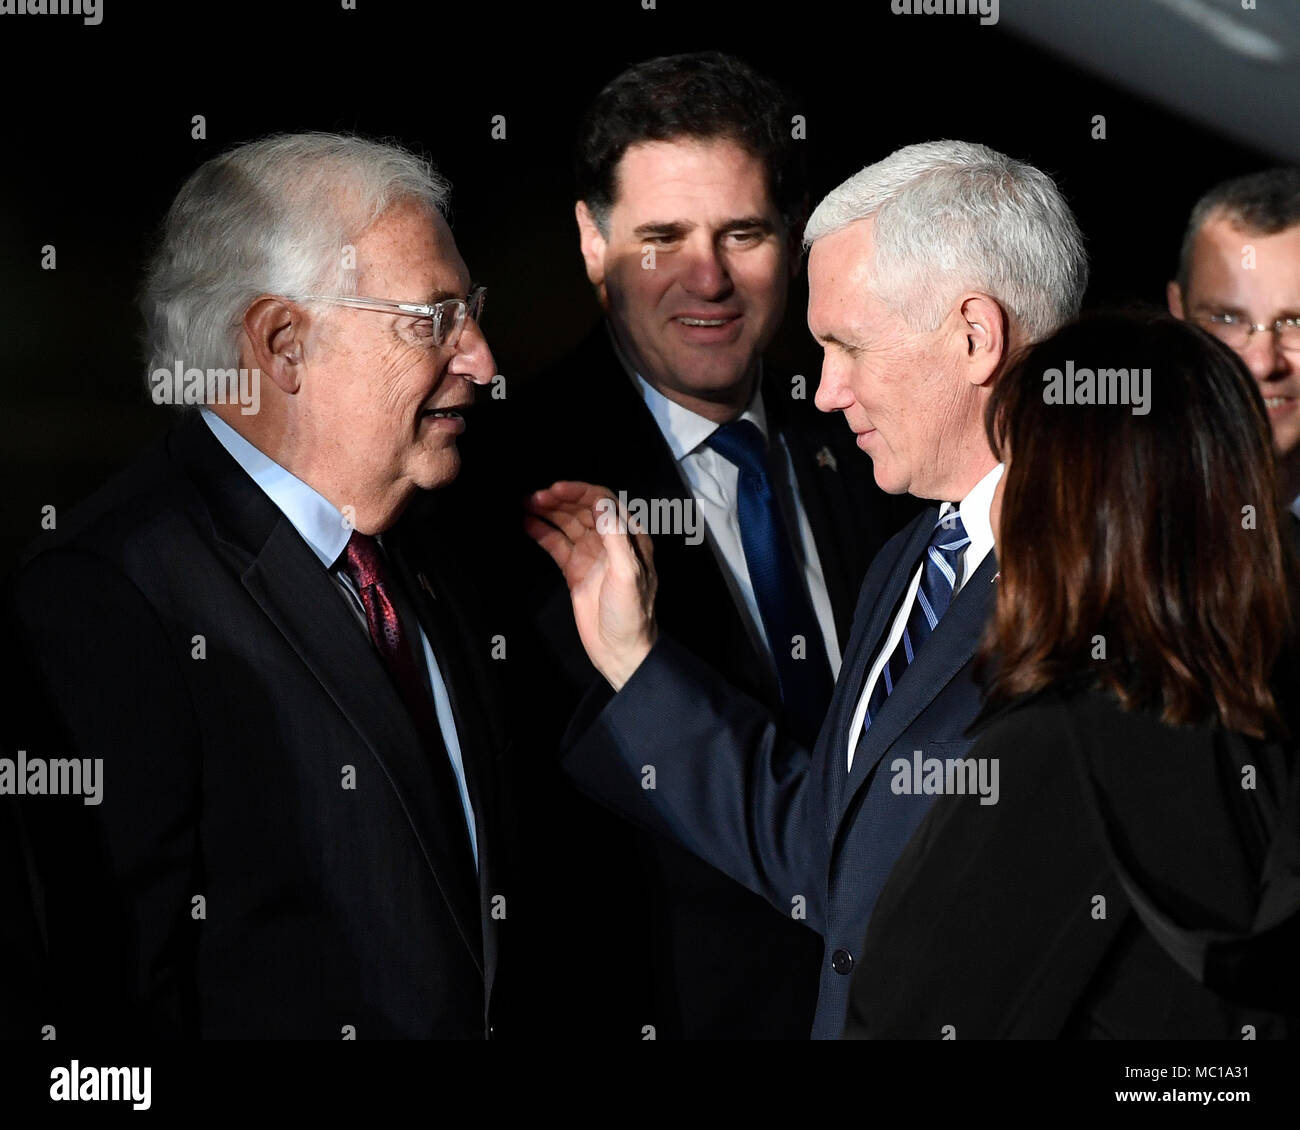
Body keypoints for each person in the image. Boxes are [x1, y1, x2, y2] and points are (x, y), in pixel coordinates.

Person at [525, 139, 1087, 1038]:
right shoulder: (911, 560)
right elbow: (833, 860)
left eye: (848, 345)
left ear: (976, 336)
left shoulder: (1124, 583)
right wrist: (638, 661)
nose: (824, 391)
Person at [5, 133, 506, 1038]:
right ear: (283, 345)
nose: (481, 359)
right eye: (432, 319)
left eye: (469, 310)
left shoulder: (427, 542)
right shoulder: (108, 598)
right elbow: (109, 1008)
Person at [502, 52, 918, 1040]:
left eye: (743, 233)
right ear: (591, 243)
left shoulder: (873, 439)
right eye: (660, 238)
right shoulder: (505, 482)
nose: (707, 278)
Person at [845, 311, 1300, 1038]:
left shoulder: (1054, 755)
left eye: (1016, 467)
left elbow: (900, 1021)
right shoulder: (1270, 723)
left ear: (1064, 503)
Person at [1167, 169, 1300, 539]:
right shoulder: (1102, 514)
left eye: (1295, 322)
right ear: (1178, 314)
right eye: (1227, 319)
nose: (1262, 363)